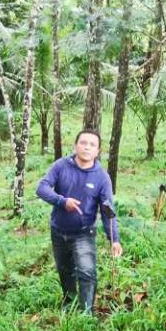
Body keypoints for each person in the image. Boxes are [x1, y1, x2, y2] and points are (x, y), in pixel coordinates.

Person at [36, 129, 123, 312]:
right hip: (58, 231)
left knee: (86, 272)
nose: (87, 147)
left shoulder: (101, 177)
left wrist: (114, 239)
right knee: (65, 271)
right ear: (75, 145)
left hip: (84, 232)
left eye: (92, 145)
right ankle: (69, 304)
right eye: (83, 143)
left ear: (98, 151)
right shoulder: (61, 166)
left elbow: (107, 210)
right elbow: (42, 188)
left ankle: (86, 312)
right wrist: (62, 201)